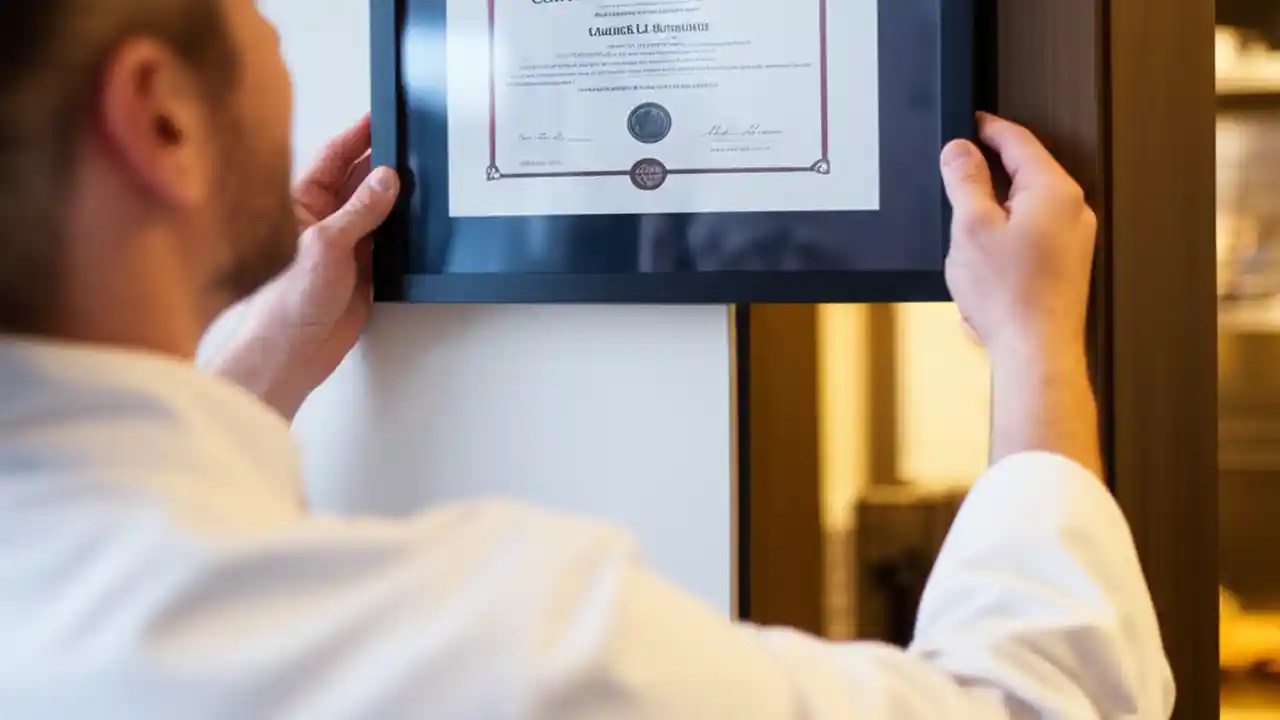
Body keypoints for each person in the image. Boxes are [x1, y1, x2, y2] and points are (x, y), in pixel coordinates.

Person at [0, 1, 1173, 718]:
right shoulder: (481, 651)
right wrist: (1033, 348)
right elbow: (1035, 708)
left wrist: (259, 366)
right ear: (160, 117)